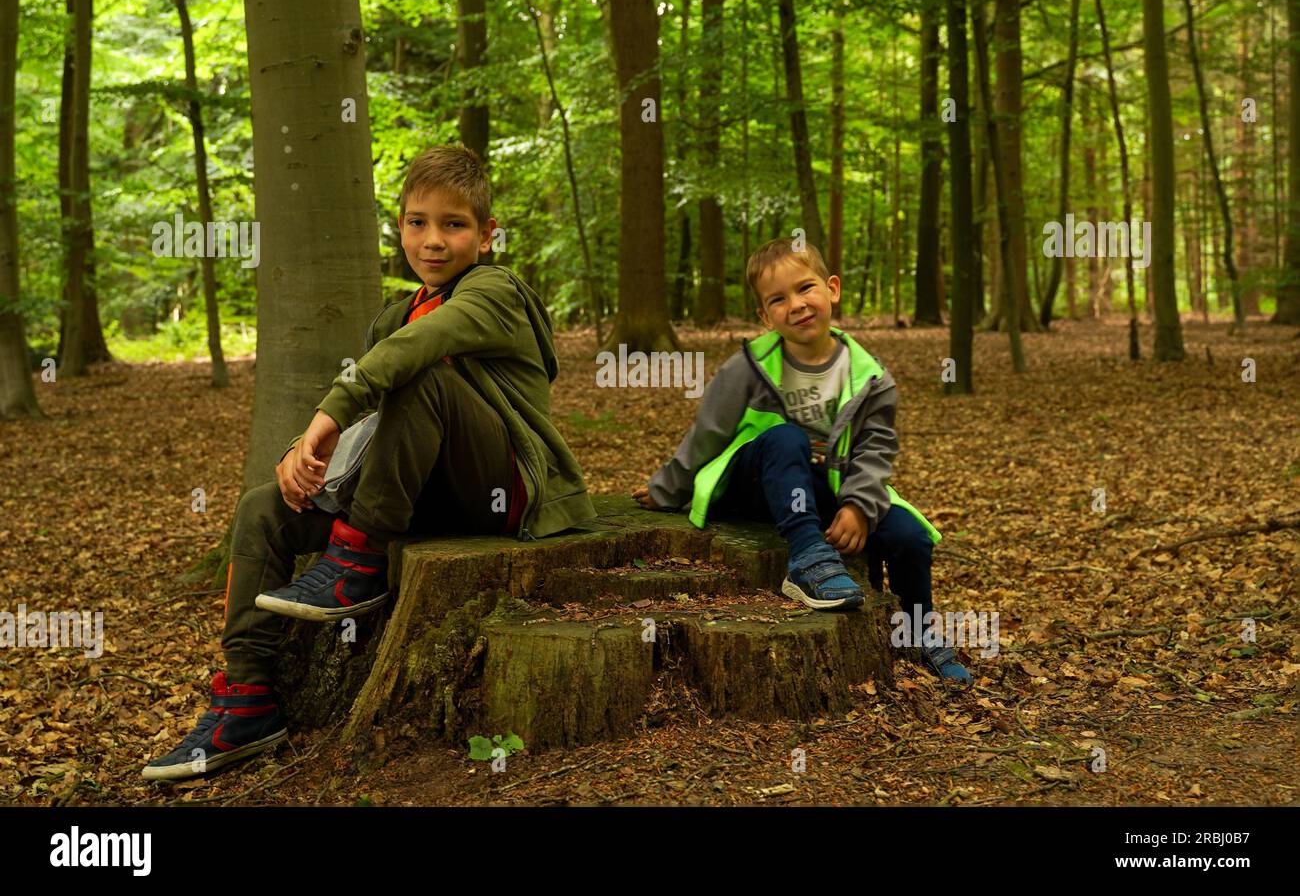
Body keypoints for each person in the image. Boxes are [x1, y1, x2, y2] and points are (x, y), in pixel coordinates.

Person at [143, 145, 596, 781]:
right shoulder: (396, 312)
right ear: (401, 226)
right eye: (417, 222)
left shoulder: (495, 291)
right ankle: (246, 700)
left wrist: (325, 415)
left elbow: (417, 353)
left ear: (488, 235)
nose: (432, 240)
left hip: (506, 488)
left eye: (454, 223)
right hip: (418, 485)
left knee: (419, 376)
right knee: (264, 508)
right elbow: (372, 414)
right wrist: (300, 456)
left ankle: (357, 563)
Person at [633, 236, 970, 685]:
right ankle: (809, 559)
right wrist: (666, 488)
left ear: (832, 289)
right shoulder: (748, 367)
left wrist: (858, 507)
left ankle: (917, 631)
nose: (796, 304)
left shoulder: (871, 377)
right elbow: (707, 432)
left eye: (805, 288)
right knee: (785, 436)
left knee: (910, 536)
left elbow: (875, 450)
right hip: (755, 483)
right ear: (764, 316)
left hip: (826, 486)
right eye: (778, 299)